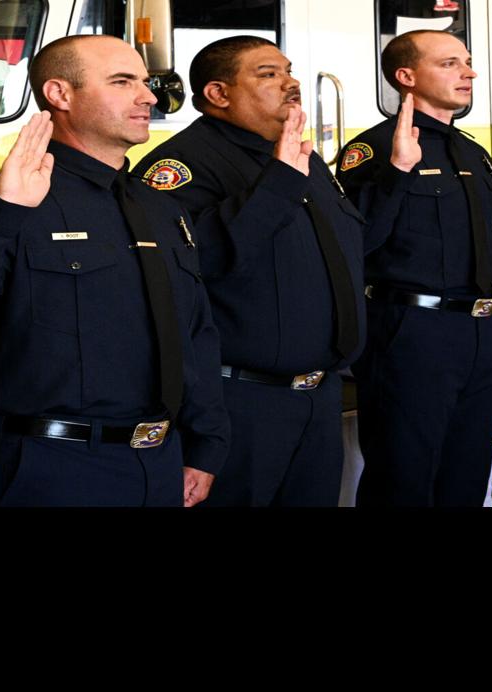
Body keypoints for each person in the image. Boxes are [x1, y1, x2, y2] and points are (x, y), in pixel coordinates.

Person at [0, 35, 227, 507]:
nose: (149, 97)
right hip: (46, 468)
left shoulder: (161, 208)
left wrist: (205, 444)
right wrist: (4, 211)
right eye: (123, 82)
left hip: (158, 463)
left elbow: (196, 334)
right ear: (60, 94)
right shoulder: (7, 197)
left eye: (145, 82)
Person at [135, 36, 364, 507]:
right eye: (268, 74)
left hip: (319, 399)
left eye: (288, 70)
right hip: (241, 402)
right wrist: (279, 184)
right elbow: (196, 264)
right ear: (218, 94)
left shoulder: (299, 157)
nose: (291, 83)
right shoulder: (181, 165)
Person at [336, 29, 492, 507]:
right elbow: (356, 244)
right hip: (411, 333)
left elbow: (486, 252)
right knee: (403, 478)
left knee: (466, 475)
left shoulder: (472, 152)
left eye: (467, 62)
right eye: (450, 63)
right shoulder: (374, 149)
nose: (469, 73)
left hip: (476, 336)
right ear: (406, 76)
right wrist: (397, 171)